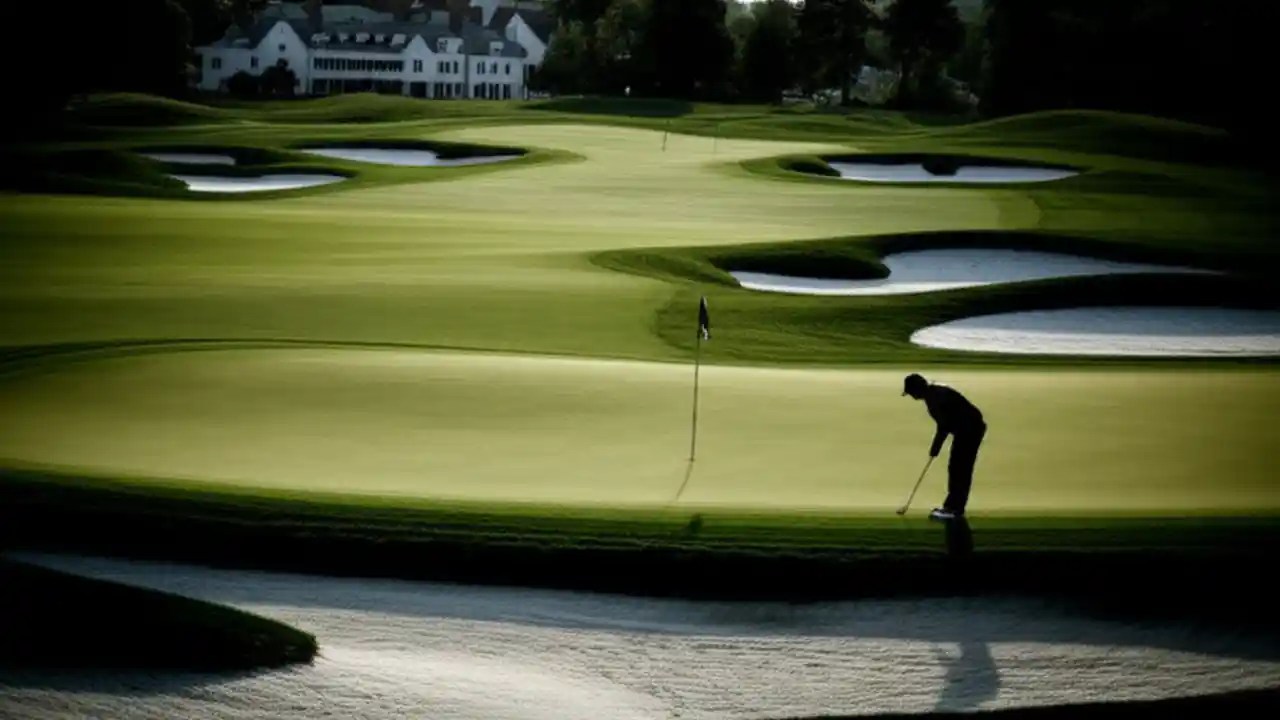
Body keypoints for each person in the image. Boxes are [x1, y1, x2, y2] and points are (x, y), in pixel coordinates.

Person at [902, 373, 986, 521]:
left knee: (959, 468)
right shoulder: (934, 394)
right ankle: (952, 507)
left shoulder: (936, 398)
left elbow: (944, 426)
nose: (912, 396)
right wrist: (935, 448)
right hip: (968, 429)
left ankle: (954, 509)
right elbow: (945, 424)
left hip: (969, 430)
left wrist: (935, 448)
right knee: (957, 468)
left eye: (911, 392)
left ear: (917, 389)